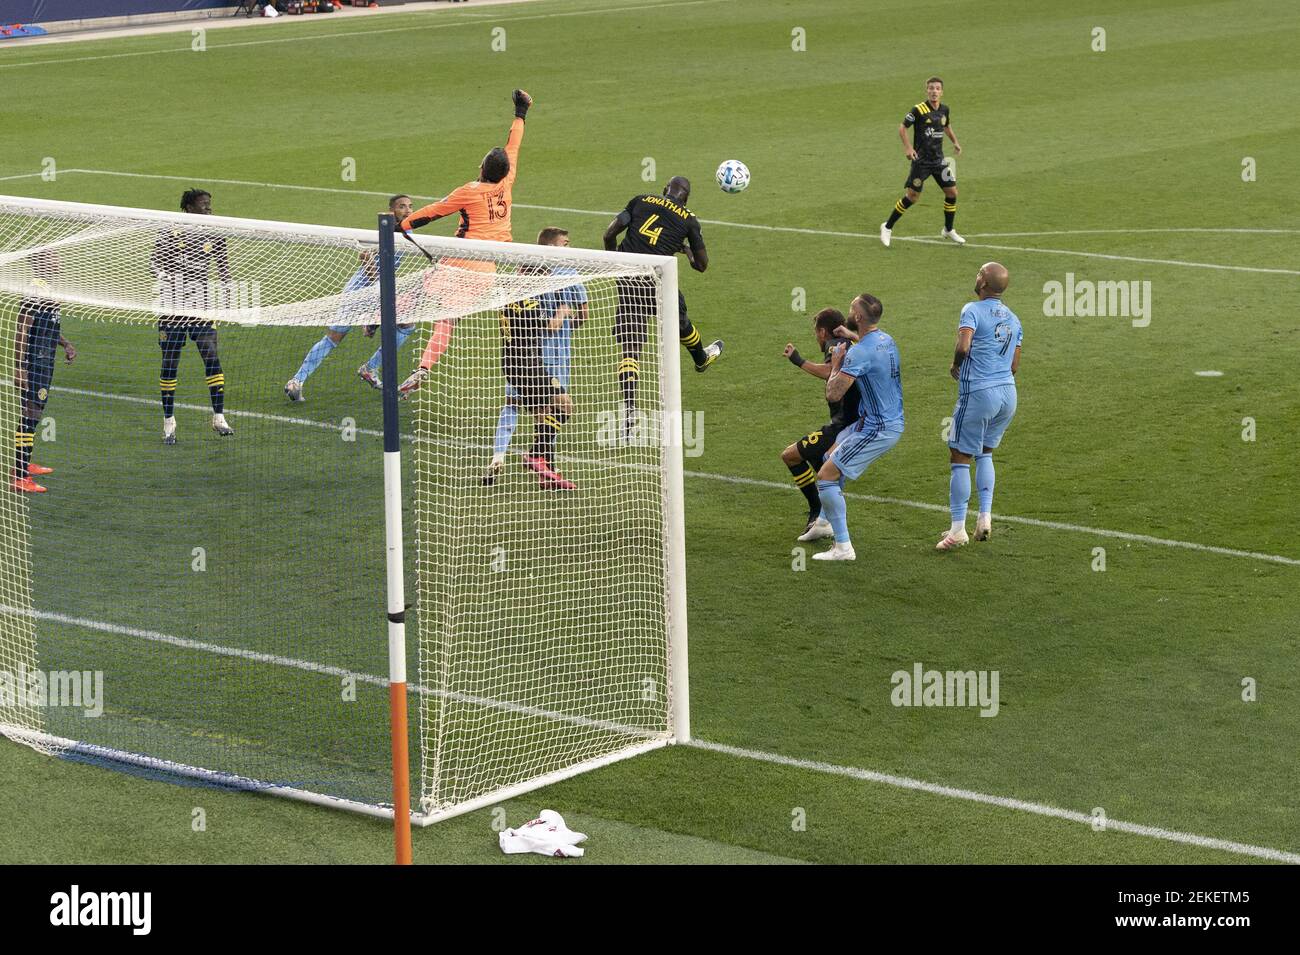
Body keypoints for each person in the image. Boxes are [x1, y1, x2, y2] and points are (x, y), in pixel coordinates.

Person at [602, 176, 722, 440]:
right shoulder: (688, 219)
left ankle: (629, 412)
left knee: (630, 347)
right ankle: (701, 358)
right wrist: (688, 251)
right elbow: (702, 265)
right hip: (657, 282)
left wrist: (614, 259)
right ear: (686, 198)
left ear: (665, 190)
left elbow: (609, 233)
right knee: (681, 323)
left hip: (627, 277)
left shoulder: (641, 200)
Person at [812, 294, 906, 561]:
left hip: (877, 429)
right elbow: (867, 347)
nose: (849, 311)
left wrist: (838, 363)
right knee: (829, 456)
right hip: (885, 419)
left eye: (852, 309)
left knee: (826, 476)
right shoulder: (886, 340)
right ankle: (822, 523)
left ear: (860, 317)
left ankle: (843, 547)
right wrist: (851, 335)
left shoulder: (858, 353)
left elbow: (833, 394)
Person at [936, 262, 1021, 551]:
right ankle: (984, 516)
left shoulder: (971, 309)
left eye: (979, 273)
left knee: (959, 456)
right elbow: (1014, 364)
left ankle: (957, 528)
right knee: (985, 453)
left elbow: (963, 346)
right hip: (1008, 394)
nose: (976, 276)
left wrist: (955, 365)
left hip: (980, 393)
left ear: (984, 282)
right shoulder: (1015, 319)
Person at [151, 188, 233, 444]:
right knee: (170, 361)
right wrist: (168, 279)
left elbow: (223, 265)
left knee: (211, 355)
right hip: (172, 306)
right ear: (188, 207)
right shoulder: (171, 231)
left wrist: (228, 291)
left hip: (201, 304)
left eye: (210, 205)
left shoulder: (214, 232)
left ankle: (218, 416)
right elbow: (153, 263)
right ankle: (169, 422)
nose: (208, 209)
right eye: (203, 205)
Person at [880, 76, 964, 247]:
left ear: (942, 91)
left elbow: (946, 126)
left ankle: (948, 229)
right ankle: (887, 227)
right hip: (922, 162)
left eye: (937, 88)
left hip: (939, 161)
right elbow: (902, 127)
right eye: (931, 88)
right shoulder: (918, 109)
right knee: (912, 197)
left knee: (952, 193)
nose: (934, 91)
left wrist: (955, 142)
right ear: (927, 90)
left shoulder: (944, 110)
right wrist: (908, 148)